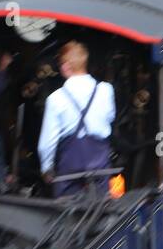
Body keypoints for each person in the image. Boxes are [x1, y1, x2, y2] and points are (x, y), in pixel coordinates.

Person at [38, 40, 116, 196]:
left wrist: (47, 169)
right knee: (103, 207)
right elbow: (110, 117)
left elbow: (47, 143)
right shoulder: (106, 90)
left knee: (67, 212)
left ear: (66, 66)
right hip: (100, 162)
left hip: (70, 166)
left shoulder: (56, 98)